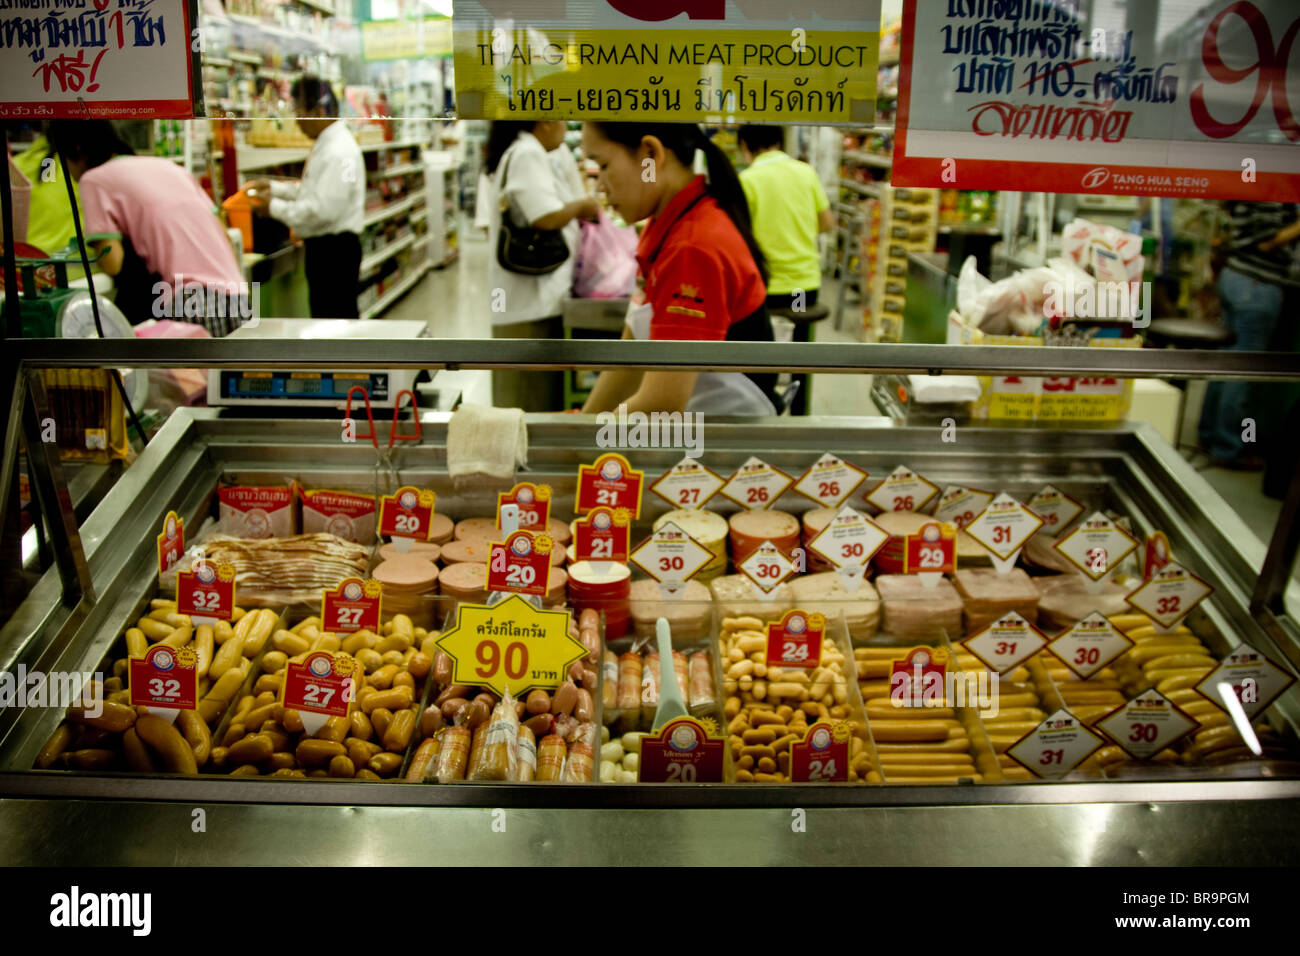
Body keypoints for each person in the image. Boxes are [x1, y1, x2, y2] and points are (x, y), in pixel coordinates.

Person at [579, 122, 778, 416]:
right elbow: (629, 357)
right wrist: (585, 424)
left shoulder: (692, 248)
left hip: (725, 442)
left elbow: (661, 401)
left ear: (650, 154)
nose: (599, 186)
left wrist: (582, 437)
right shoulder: (666, 225)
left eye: (604, 165)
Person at [46, 120, 246, 333]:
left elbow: (112, 261)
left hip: (189, 302)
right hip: (236, 294)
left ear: (76, 150)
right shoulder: (168, 167)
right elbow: (222, 232)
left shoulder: (94, 179)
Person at [486, 120, 600, 411]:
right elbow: (544, 216)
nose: (564, 127)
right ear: (545, 122)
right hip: (528, 305)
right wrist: (583, 207)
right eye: (561, 118)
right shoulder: (527, 152)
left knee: (533, 398)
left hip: (534, 299)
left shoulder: (530, 150)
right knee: (527, 404)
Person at [247, 76, 364, 319]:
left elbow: (321, 210)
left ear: (319, 111)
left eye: (300, 111)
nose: (297, 120)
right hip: (328, 250)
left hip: (333, 253)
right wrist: (275, 188)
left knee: (336, 326)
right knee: (331, 321)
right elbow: (313, 190)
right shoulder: (329, 144)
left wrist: (274, 208)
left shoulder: (338, 152)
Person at [1197, 200, 1300, 470]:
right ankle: (1230, 448)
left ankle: (1210, 436)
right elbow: (1266, 242)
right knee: (1243, 373)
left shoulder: (1255, 188)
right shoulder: (1272, 193)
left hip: (1238, 278)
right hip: (1256, 284)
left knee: (1226, 365)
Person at [737, 124, 833, 312]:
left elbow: (738, 235)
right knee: (796, 337)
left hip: (764, 287)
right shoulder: (806, 172)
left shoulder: (747, 179)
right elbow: (827, 222)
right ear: (778, 142)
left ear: (744, 145)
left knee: (765, 340)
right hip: (803, 287)